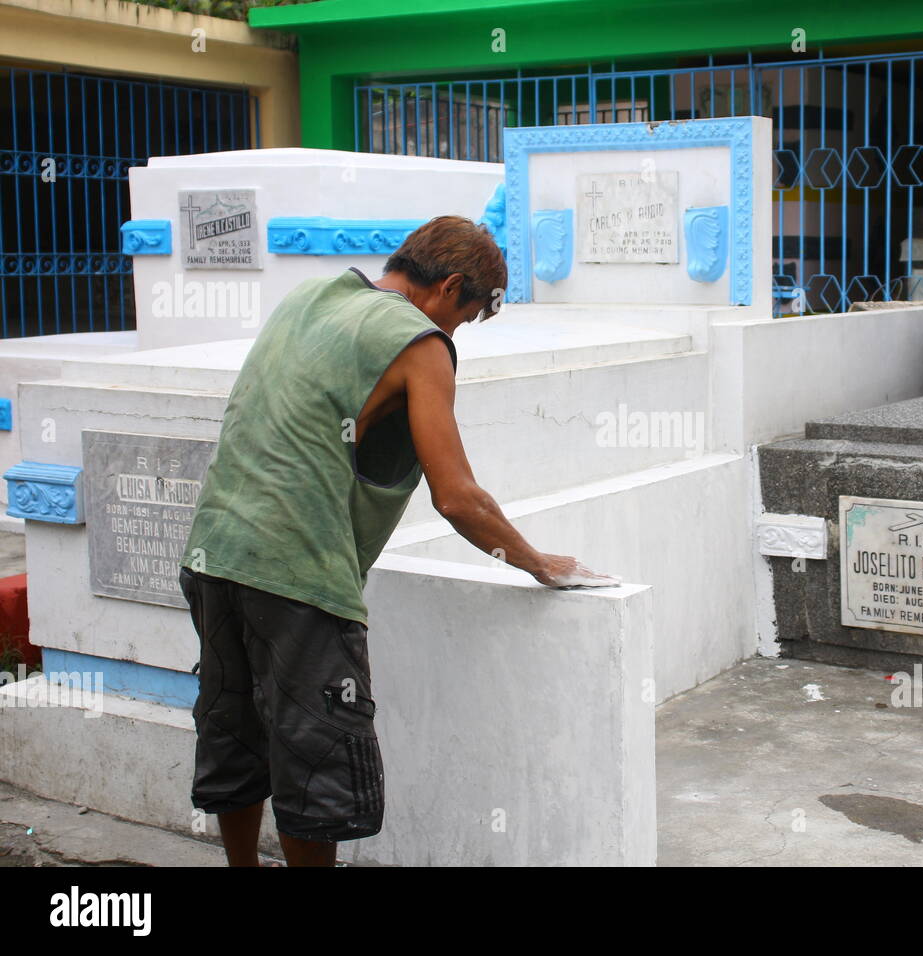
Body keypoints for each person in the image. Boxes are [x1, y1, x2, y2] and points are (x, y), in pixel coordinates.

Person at [177, 215, 617, 867]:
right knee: (315, 765)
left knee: (232, 735)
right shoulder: (420, 341)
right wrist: (538, 563)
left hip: (213, 553)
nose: (454, 332)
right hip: (298, 572)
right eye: (464, 317)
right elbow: (457, 497)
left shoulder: (310, 297)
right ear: (450, 288)